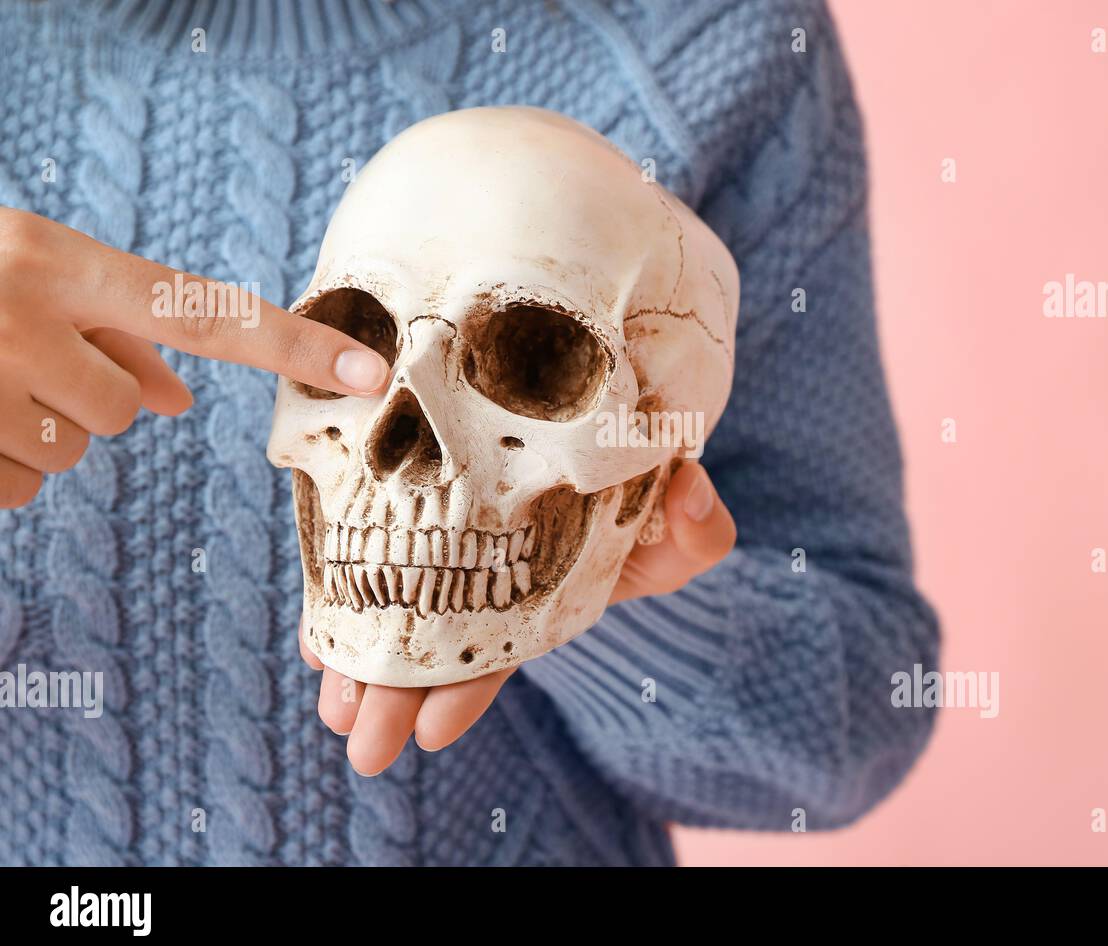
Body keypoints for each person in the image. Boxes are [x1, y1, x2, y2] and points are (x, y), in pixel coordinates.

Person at [0, 0, 939, 865]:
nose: (391, 441)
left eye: (540, 364)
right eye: (358, 333)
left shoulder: (710, 34)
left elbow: (854, 726)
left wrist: (595, 577)